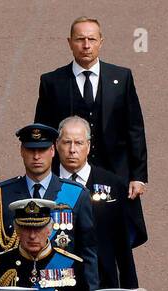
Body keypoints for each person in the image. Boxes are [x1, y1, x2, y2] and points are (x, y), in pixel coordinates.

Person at [34, 17, 149, 202]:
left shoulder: (122, 78)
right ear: (70, 43)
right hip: (66, 175)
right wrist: (41, 173)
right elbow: (43, 132)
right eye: (80, 39)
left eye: (92, 39)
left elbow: (135, 129)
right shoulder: (52, 82)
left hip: (115, 173)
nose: (86, 45)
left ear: (100, 42)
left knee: (115, 228)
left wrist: (138, 176)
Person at [0, 123, 98, 287]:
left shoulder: (76, 194)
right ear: (22, 151)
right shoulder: (3, 194)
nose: (36, 156)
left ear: (52, 151)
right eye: (31, 150)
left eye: (42, 150)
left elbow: (88, 254)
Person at [54, 115, 142, 289]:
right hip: (57, 282)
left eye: (78, 143)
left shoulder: (114, 184)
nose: (72, 149)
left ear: (88, 146)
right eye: (66, 142)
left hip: (103, 282)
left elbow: (123, 244)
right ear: (56, 145)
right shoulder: (47, 184)